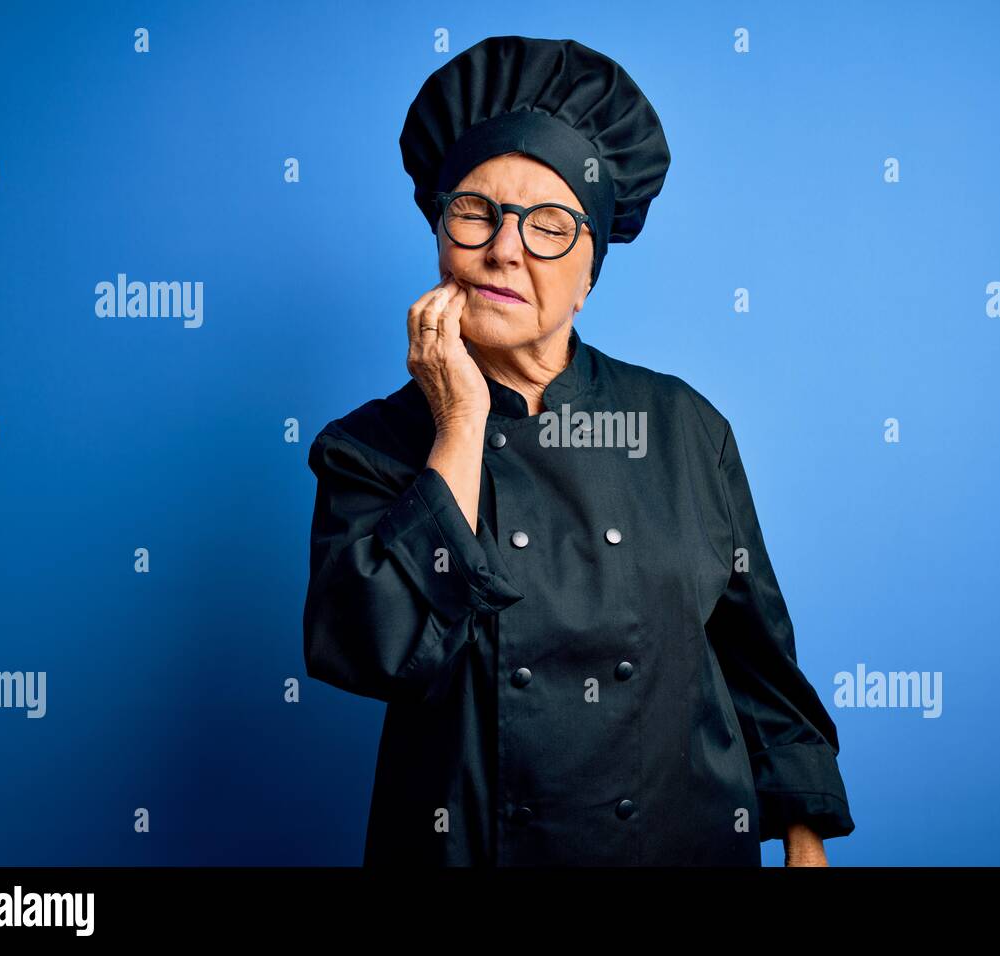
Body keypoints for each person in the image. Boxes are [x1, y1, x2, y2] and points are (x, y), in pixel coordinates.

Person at [303, 35, 855, 866]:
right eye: (476, 211)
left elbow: (757, 661)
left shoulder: (682, 426)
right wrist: (458, 423)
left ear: (591, 265)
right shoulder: (368, 448)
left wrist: (805, 843)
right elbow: (374, 651)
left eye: (550, 227)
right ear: (441, 228)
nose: (505, 248)